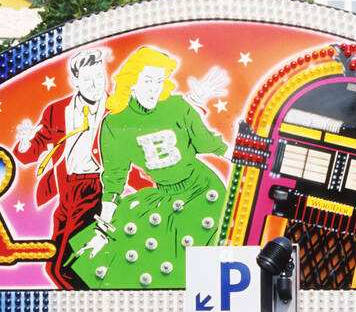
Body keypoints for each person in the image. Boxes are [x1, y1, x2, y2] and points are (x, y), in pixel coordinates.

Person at [70, 46, 229, 288]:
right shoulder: (115, 123)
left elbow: (212, 145)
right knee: (133, 256)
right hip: (164, 196)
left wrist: (258, 158)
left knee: (194, 264)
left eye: (158, 80)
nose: (153, 87)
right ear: (132, 80)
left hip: (204, 192)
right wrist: (102, 231)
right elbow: (114, 180)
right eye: (147, 80)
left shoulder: (177, 107)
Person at [14, 48, 110, 288]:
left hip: (97, 188)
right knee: (53, 265)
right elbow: (32, 151)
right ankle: (89, 307)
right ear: (75, 81)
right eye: (87, 79)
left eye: (99, 76)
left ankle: (92, 310)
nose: (95, 84)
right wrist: (25, 142)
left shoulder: (117, 110)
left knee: (64, 265)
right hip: (66, 188)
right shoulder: (57, 110)